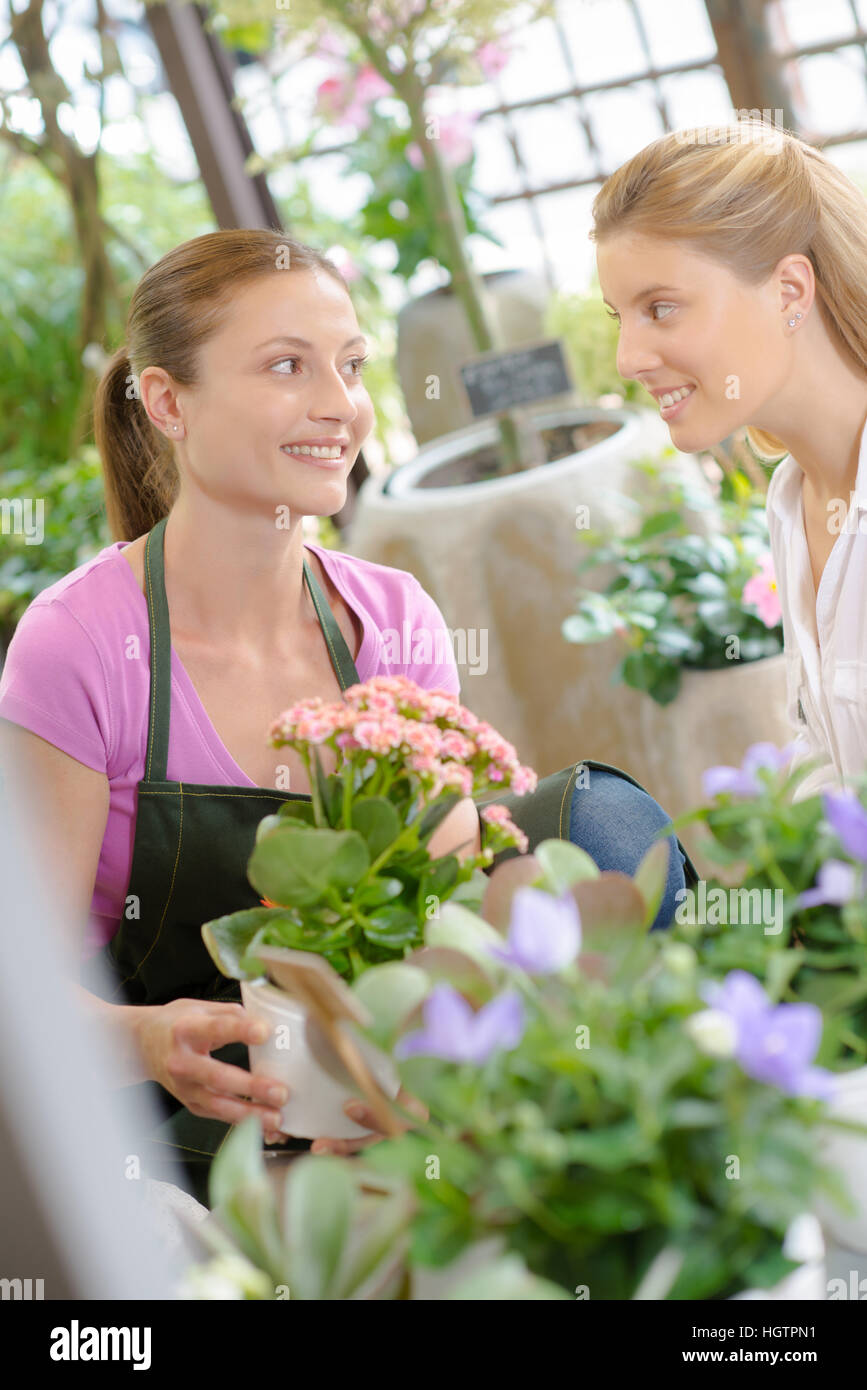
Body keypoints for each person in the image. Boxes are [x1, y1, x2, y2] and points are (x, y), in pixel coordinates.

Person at [0, 229, 687, 1203]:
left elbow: (443, 899)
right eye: (287, 365)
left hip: (386, 1093)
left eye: (352, 365)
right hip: (180, 1141)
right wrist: (151, 1040)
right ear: (166, 402)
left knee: (608, 841)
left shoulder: (390, 616)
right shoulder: (79, 644)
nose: (340, 405)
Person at [592, 119, 867, 803]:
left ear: (789, 292)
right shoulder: (791, 500)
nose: (627, 359)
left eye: (660, 307)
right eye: (617, 317)